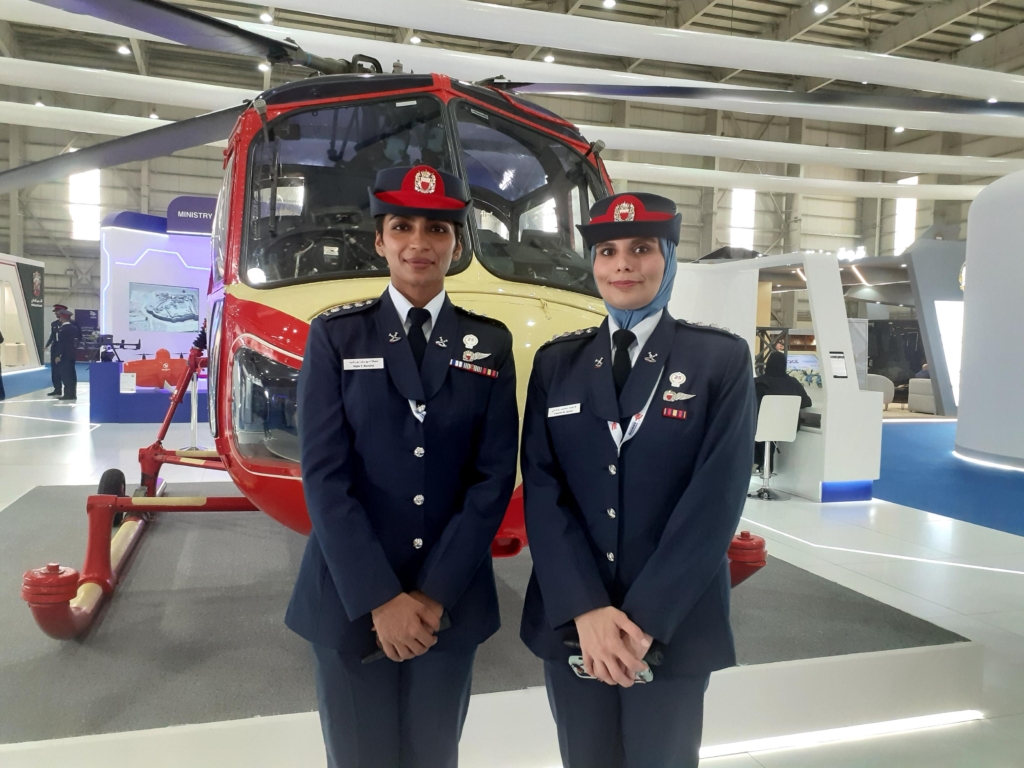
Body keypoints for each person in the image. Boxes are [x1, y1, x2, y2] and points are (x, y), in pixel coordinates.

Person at [285, 164, 519, 768]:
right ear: (380, 240)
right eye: (402, 226)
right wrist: (382, 600)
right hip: (349, 598)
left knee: (434, 755)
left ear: (457, 245)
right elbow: (325, 477)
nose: (420, 242)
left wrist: (433, 595)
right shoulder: (339, 337)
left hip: (450, 602)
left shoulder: (488, 344)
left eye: (437, 229)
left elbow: (492, 479)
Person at [519, 192, 756, 768]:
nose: (623, 264)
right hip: (577, 624)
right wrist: (587, 611)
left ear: (669, 256)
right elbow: (544, 492)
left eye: (642, 248)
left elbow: (715, 501)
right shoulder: (558, 365)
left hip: (671, 625)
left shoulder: (718, 361)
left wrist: (641, 623)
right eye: (607, 251)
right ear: (593, 264)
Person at [753, 350, 811, 470]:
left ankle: (757, 462)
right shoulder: (793, 383)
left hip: (762, 427)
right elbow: (807, 402)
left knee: (757, 426)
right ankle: (766, 467)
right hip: (788, 427)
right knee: (768, 430)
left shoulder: (758, 382)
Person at [52, 309, 81, 402]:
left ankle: (68, 394)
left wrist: (58, 355)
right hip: (72, 354)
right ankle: (73, 393)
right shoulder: (75, 328)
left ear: (63, 318)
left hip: (64, 355)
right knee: (72, 374)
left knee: (65, 375)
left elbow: (61, 344)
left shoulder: (62, 330)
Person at [45, 304, 67, 397]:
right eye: (55, 312)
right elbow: (53, 336)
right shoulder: (54, 324)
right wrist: (47, 345)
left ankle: (68, 391)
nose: (56, 313)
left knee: (65, 370)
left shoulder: (68, 324)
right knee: (54, 370)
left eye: (57, 311)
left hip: (64, 350)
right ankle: (57, 389)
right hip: (55, 349)